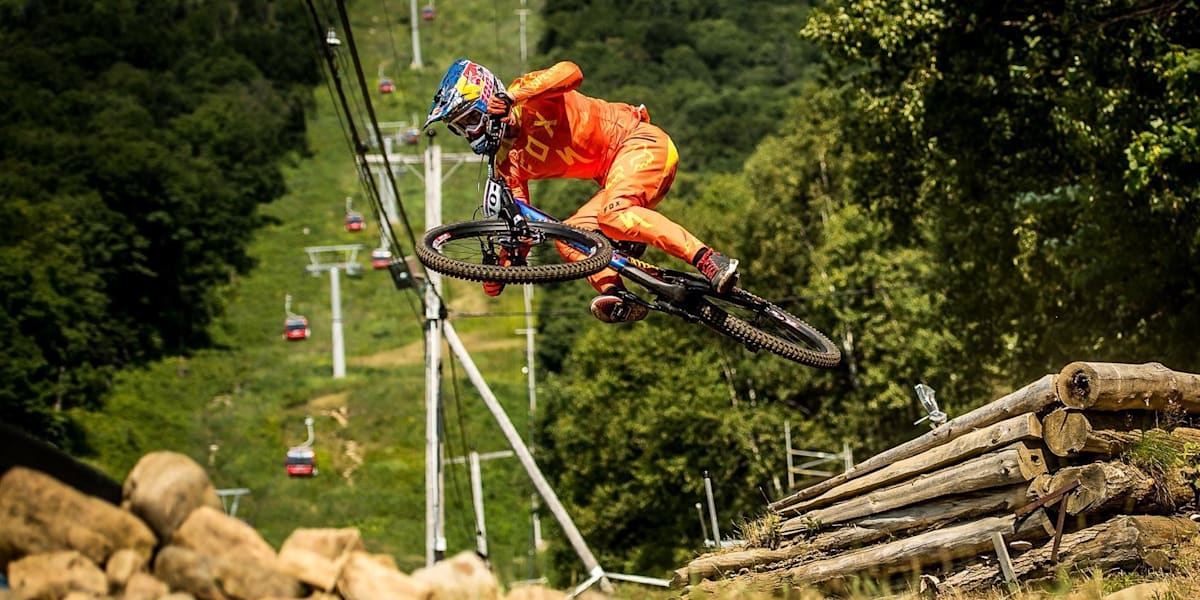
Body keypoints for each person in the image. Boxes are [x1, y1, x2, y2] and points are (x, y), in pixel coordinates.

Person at [424, 58, 739, 323]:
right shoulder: (508, 162)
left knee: (614, 214)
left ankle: (709, 260)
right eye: (459, 127)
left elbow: (571, 72)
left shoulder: (529, 94)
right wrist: (499, 271)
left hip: (641, 144)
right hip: (615, 179)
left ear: (488, 98)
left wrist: (512, 97)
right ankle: (619, 296)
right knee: (571, 238)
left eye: (470, 118)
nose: (469, 132)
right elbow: (524, 229)